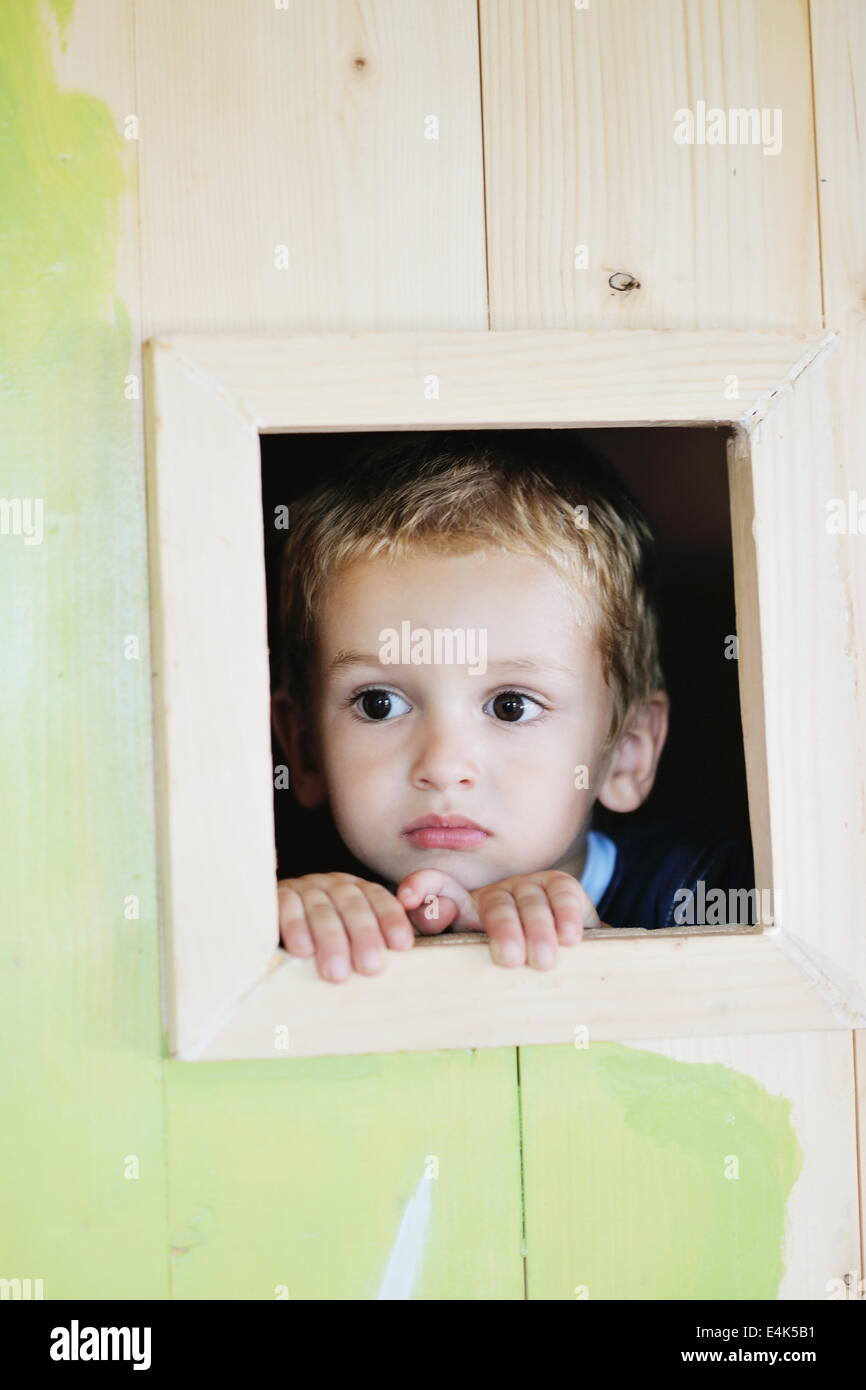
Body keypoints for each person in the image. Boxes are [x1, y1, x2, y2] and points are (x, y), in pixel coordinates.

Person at [271, 431, 754, 983]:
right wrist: (269, 940)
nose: (444, 766)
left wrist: (606, 964)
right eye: (380, 704)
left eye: (510, 706)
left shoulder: (705, 891)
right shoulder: (301, 920)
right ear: (304, 748)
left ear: (625, 752)